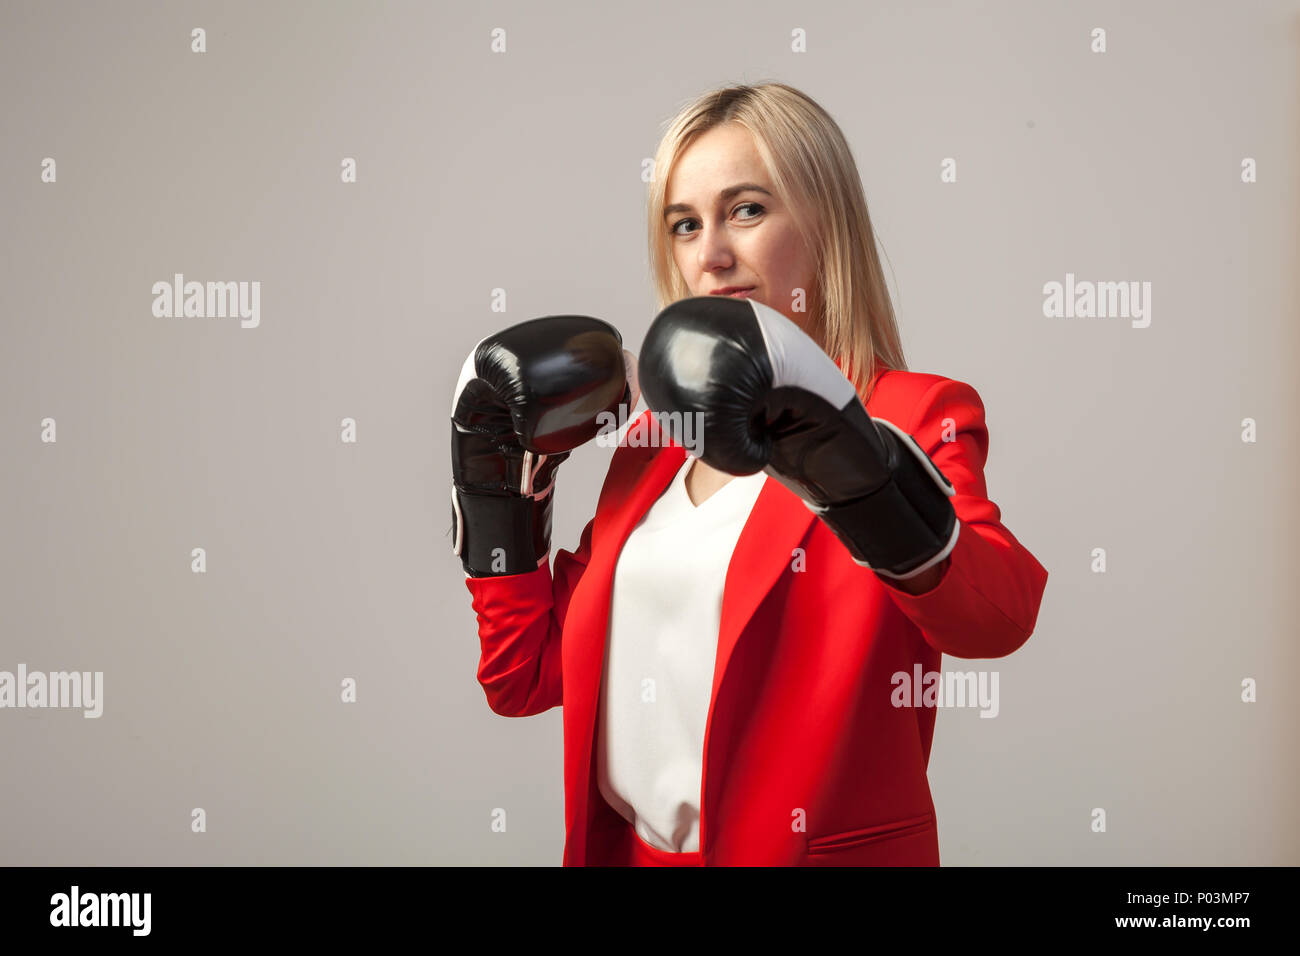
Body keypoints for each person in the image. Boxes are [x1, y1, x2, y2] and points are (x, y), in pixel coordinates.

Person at [450, 82, 1049, 866]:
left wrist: (864, 471)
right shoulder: (656, 443)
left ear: (826, 225)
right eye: (686, 225)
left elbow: (997, 620)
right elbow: (524, 678)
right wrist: (496, 500)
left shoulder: (910, 411)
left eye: (747, 210)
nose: (712, 254)